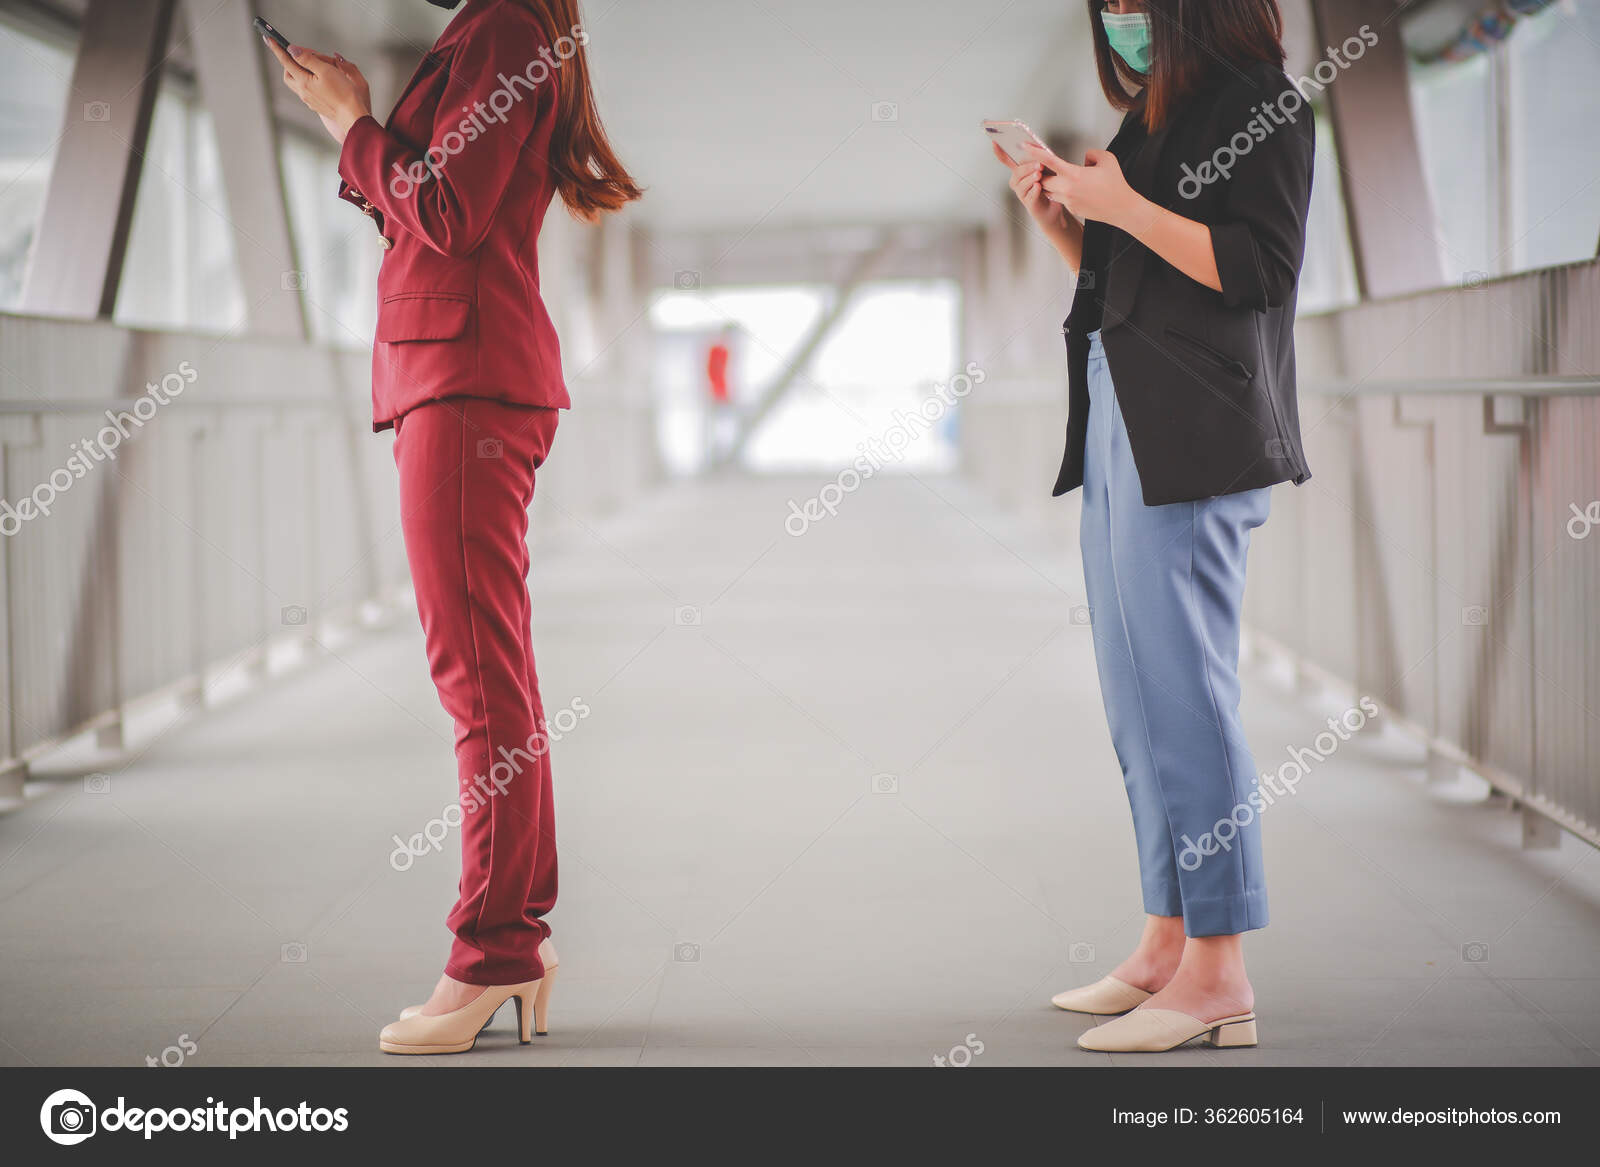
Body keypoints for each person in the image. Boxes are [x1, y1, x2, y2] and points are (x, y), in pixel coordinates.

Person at [265, 0, 640, 1055]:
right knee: (493, 674)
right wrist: (363, 128)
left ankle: (495, 953)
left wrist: (353, 121)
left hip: (465, 383)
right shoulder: (496, 31)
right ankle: (511, 939)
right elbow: (426, 209)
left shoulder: (503, 30)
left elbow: (446, 213)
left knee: (477, 681)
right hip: (457, 377)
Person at [993, 0, 1314, 1052]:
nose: (1121, 21)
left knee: (1186, 691)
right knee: (1135, 695)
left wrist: (1119, 208)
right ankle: (1166, 939)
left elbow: (1257, 269)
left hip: (1199, 426)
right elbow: (1128, 271)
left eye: (1138, 4)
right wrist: (1061, 215)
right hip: (1125, 412)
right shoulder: (1155, 118)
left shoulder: (1260, 101)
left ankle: (1219, 970)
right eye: (1109, 7)